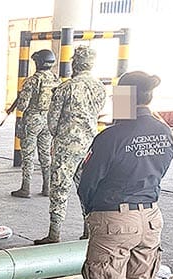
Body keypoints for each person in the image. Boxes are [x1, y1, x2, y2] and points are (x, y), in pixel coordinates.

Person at [60, 71, 173, 279]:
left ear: (126, 98)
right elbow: (162, 168)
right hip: (150, 218)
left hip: (115, 219)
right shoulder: (164, 132)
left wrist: (93, 213)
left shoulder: (111, 136)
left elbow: (86, 181)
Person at [35, 45, 106, 244]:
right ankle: (88, 231)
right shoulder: (100, 87)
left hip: (66, 145)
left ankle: (54, 233)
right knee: (88, 188)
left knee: (59, 188)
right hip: (90, 145)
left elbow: (53, 119)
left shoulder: (66, 87)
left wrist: (57, 136)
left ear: (75, 63)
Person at [11, 49, 59, 199]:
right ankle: (47, 187)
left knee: (28, 155)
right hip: (48, 120)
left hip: (32, 120)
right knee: (46, 155)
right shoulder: (55, 79)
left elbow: (22, 105)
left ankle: (26, 188)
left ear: (38, 62)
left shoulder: (33, 80)